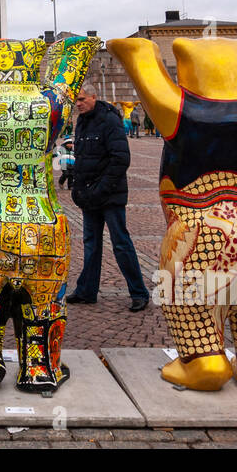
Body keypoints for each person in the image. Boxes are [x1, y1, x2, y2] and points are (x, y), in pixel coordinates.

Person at [67, 85, 150, 310]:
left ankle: (139, 292)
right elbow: (82, 157)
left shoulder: (110, 120)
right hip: (89, 196)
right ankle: (87, 290)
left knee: (121, 243)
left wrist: (101, 189)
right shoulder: (82, 121)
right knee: (91, 244)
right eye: (76, 100)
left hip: (110, 196)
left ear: (94, 96)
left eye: (82, 99)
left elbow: (121, 159)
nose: (78, 104)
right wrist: (78, 187)